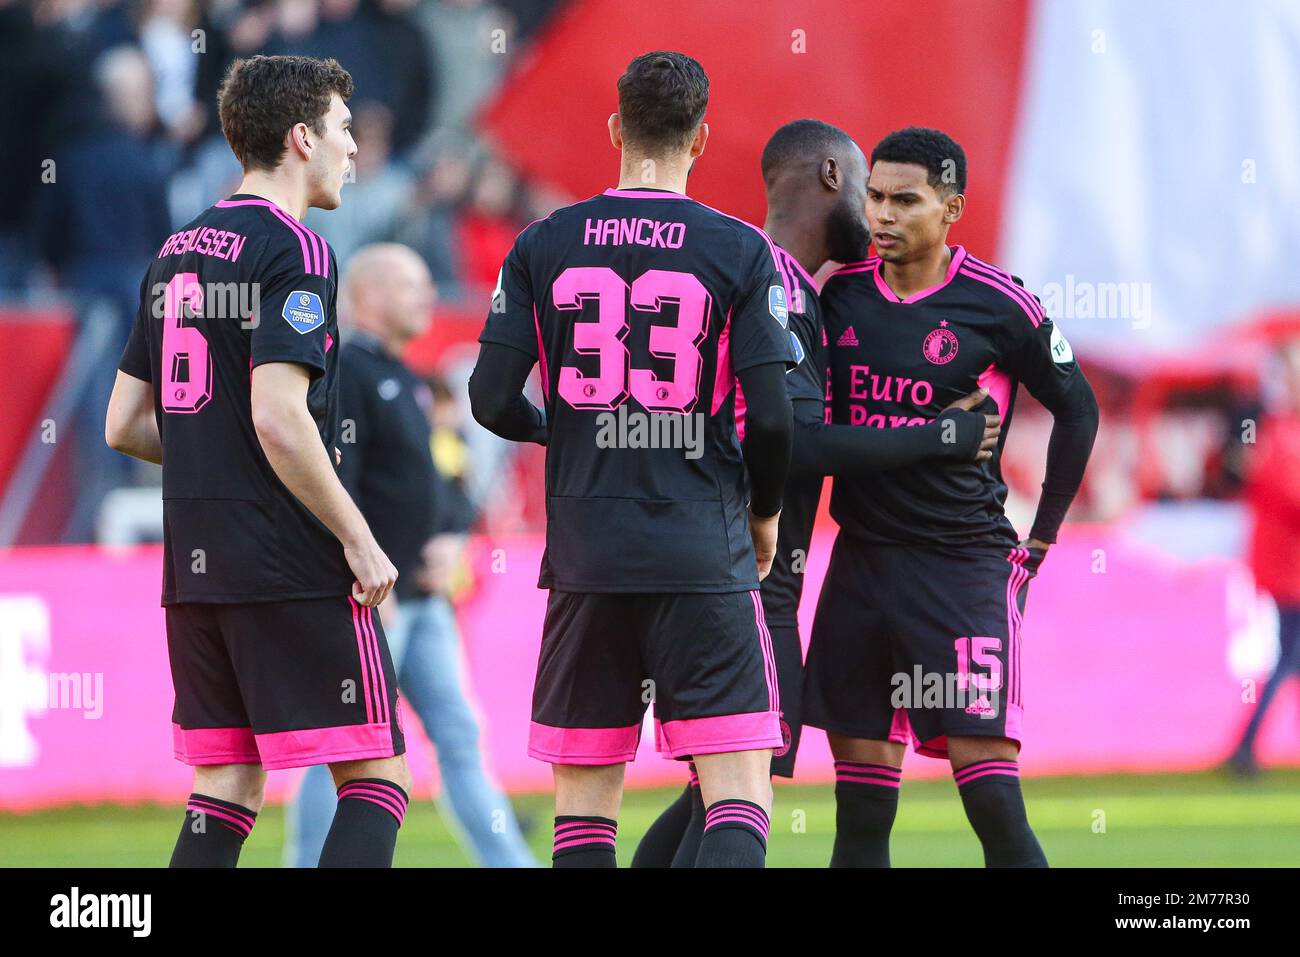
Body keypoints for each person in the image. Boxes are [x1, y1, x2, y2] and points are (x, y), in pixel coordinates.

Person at [631, 119, 1000, 867]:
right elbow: (795, 439)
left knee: (714, 789)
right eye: (869, 188)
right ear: (833, 176)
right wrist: (940, 437)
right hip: (744, 577)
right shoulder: (775, 287)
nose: (877, 214)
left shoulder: (736, 270)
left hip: (697, 561)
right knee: (738, 791)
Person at [469, 51, 796, 868]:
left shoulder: (543, 243)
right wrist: (763, 517)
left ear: (616, 127)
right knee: (737, 791)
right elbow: (776, 418)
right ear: (703, 137)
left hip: (587, 557)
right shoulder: (741, 251)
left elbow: (487, 397)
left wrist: (565, 431)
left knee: (584, 812)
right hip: (702, 551)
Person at [104, 55, 410, 868]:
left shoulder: (174, 252)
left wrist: (217, 456)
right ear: (302, 137)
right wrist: (357, 535)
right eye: (344, 130)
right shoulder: (296, 250)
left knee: (227, 785)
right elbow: (278, 417)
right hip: (290, 558)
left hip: (197, 568)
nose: (353, 149)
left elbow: (124, 423)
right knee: (378, 776)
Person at [804, 127, 1099, 867]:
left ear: (951, 208)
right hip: (862, 567)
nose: (883, 215)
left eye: (906, 200)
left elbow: (1079, 408)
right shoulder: (837, 297)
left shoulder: (997, 303)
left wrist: (1042, 541)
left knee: (994, 804)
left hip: (960, 566)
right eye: (874, 196)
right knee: (861, 813)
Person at [284, 242, 536, 867]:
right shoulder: (349, 378)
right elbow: (331, 486)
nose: (427, 296)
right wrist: (358, 576)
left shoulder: (406, 378)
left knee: (457, 739)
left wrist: (450, 532)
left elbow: (439, 480)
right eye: (410, 285)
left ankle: (512, 863)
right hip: (376, 604)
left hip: (423, 604)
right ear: (367, 296)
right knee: (345, 750)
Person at [1227, 337, 1300, 775]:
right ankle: (1245, 748)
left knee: (1288, 657)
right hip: (1289, 569)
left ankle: (1246, 746)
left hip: (1285, 566)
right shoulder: (1280, 431)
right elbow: (1289, 495)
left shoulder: (1275, 430)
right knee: (1288, 658)